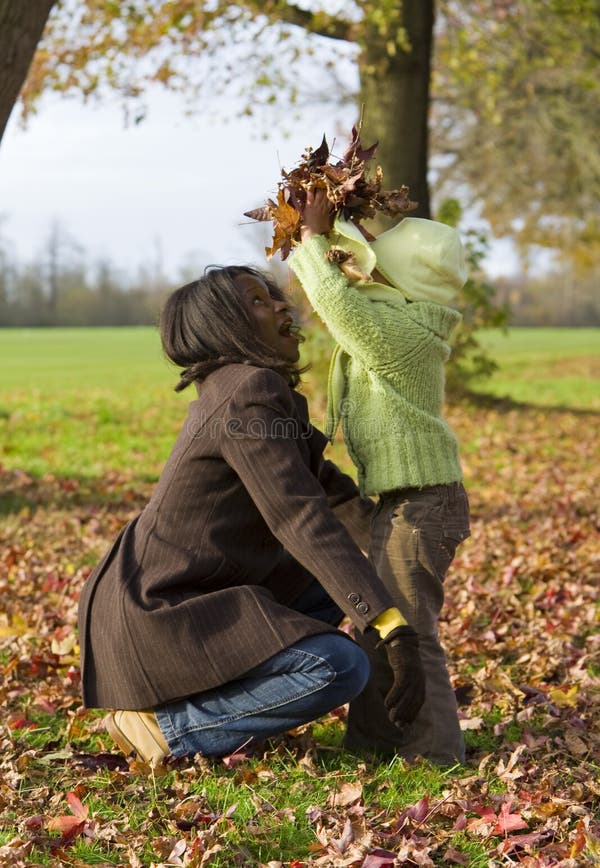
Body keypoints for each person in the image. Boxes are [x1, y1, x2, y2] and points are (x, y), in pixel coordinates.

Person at [77, 265, 427, 766]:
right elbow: (299, 516)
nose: (284, 306)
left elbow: (330, 494)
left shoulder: (251, 391)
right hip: (160, 609)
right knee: (340, 667)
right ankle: (171, 728)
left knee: (333, 584)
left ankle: (207, 708)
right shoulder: (247, 392)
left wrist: (399, 551)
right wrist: (388, 624)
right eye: (261, 302)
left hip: (186, 594)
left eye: (275, 297)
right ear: (227, 325)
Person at [288, 189, 471, 765]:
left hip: (421, 507)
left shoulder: (407, 337)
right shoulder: (400, 318)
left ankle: (437, 757)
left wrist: (312, 242)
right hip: (404, 503)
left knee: (409, 636)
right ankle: (371, 744)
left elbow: (342, 309)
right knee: (379, 624)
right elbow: (355, 292)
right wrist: (335, 229)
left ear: (400, 280)